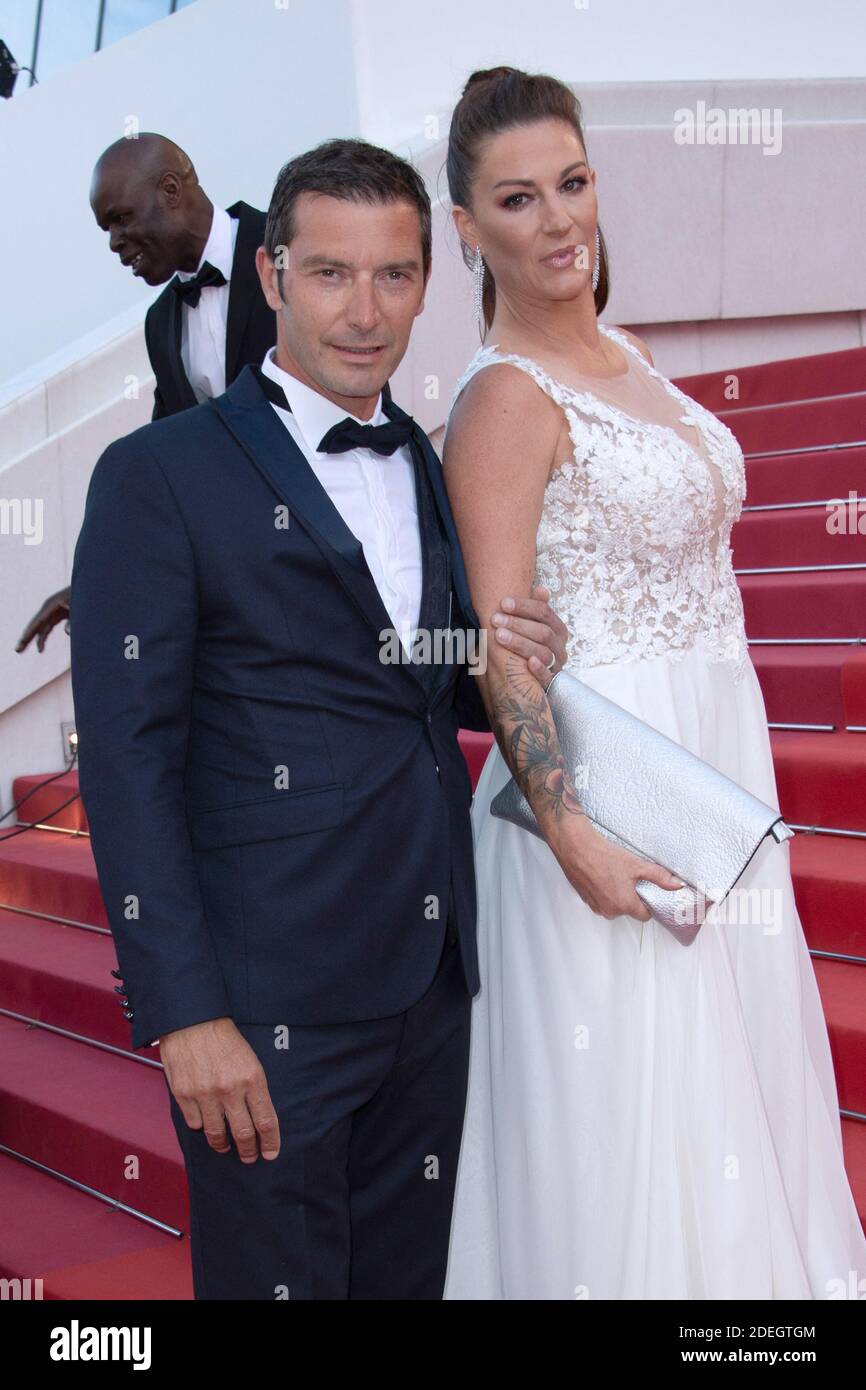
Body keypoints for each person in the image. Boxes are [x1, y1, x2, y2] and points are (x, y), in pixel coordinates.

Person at [69, 137, 568, 1300]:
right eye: (331, 273)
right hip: (265, 1004)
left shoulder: (424, 461)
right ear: (273, 274)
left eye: (393, 274)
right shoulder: (158, 474)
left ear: (425, 283)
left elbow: (402, 673)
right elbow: (128, 761)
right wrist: (184, 1013)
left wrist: (491, 653)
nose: (363, 310)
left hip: (429, 982)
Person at [440, 66, 866, 1300]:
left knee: (729, 1074)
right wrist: (572, 835)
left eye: (571, 182)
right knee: (641, 1098)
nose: (557, 219)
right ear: (466, 227)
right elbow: (500, 644)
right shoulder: (502, 399)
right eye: (517, 199)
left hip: (708, 758)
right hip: (608, 791)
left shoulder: (618, 353)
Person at [17, 134, 275, 653]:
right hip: (252, 599)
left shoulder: (289, 245)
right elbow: (162, 469)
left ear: (171, 189)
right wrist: (97, 579)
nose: (114, 243)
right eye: (106, 229)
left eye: (120, 219)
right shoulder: (161, 323)